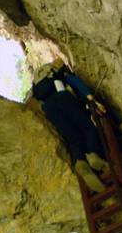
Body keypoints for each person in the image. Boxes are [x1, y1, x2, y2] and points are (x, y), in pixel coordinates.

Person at [31, 61, 110, 192]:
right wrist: (93, 100)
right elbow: (77, 84)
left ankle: (80, 162)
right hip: (63, 97)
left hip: (49, 109)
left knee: (74, 139)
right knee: (88, 128)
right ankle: (94, 155)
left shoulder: (39, 85)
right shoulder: (59, 74)